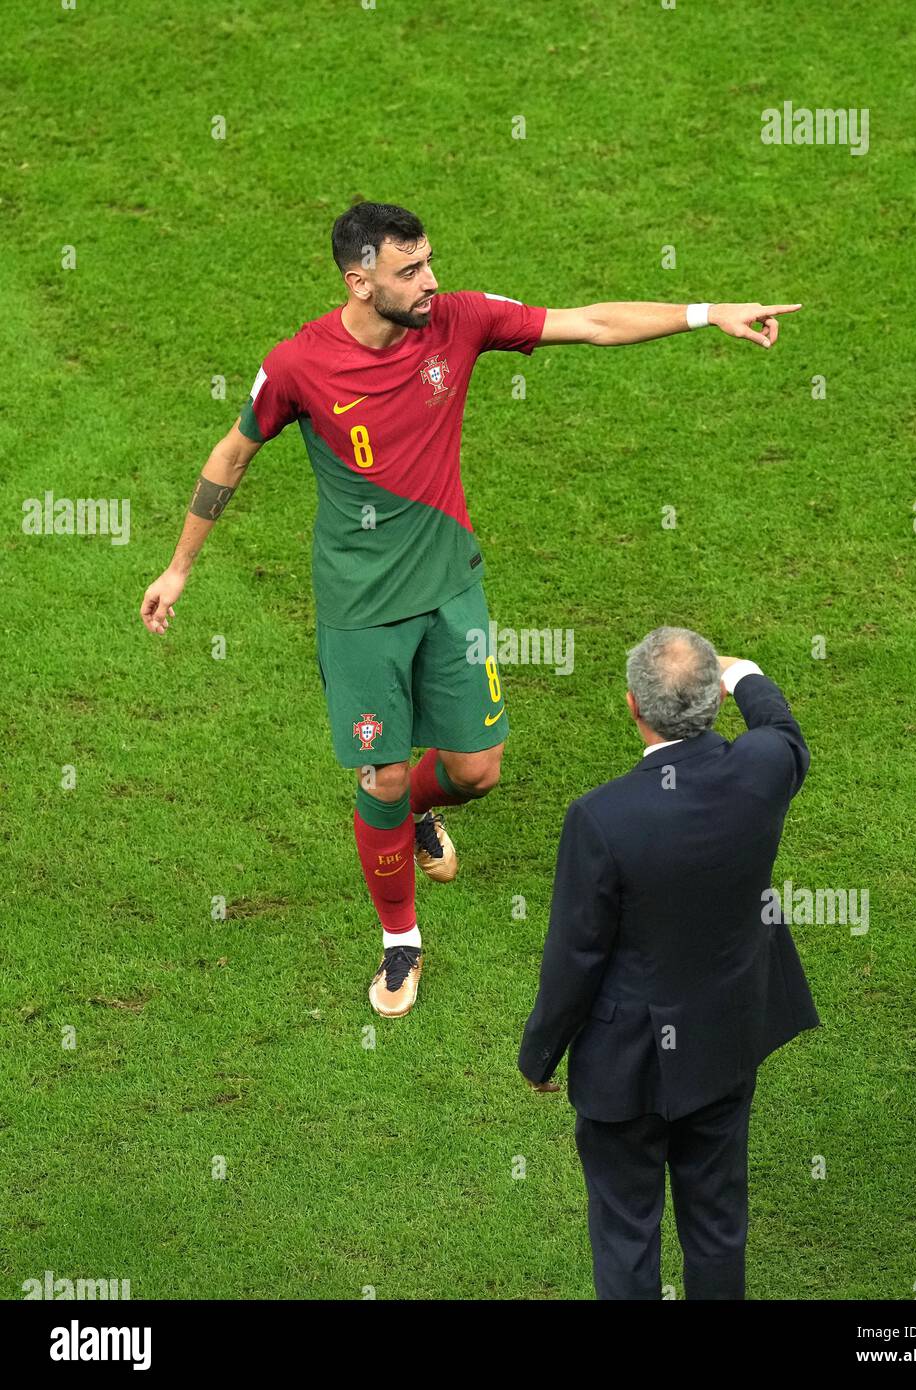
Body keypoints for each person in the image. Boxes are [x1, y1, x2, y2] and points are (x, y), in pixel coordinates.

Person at [139, 200, 801, 1017]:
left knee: (474, 773)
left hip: (451, 588)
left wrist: (710, 314)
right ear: (359, 280)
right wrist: (178, 569)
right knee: (378, 774)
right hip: (360, 609)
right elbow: (233, 453)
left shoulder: (458, 323)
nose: (430, 282)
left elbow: (591, 322)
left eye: (429, 263)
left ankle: (418, 808)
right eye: (410, 270)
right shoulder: (297, 366)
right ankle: (399, 941)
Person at [518, 627, 819, 1299]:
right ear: (713, 698)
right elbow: (783, 728)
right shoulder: (764, 768)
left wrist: (541, 1054)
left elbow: (576, 954)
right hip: (724, 1041)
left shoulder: (601, 817)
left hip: (626, 1067)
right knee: (716, 1225)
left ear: (633, 707)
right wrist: (745, 673)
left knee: (626, 1236)